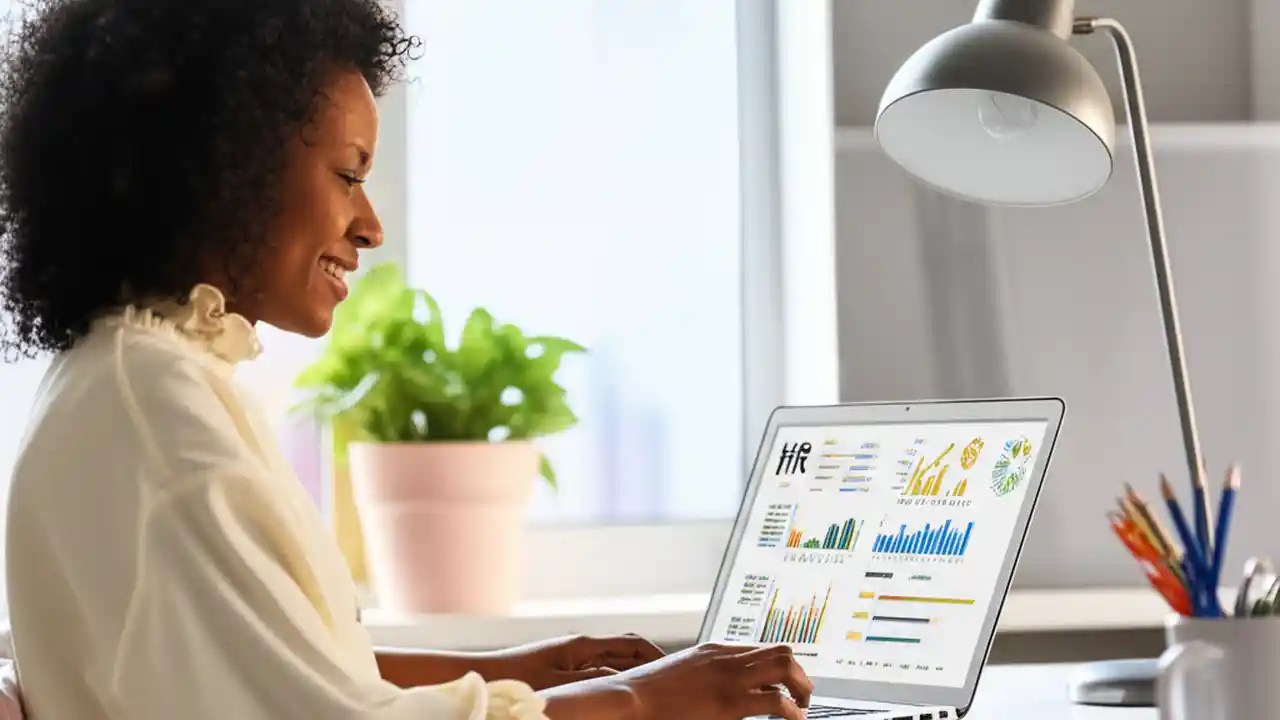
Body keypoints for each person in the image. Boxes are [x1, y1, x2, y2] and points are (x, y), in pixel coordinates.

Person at [0, 1, 813, 718]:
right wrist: (640, 700)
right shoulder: (155, 410)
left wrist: (512, 673)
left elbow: (274, 674)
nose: (370, 226)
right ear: (224, 162)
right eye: (348, 175)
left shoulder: (125, 377)